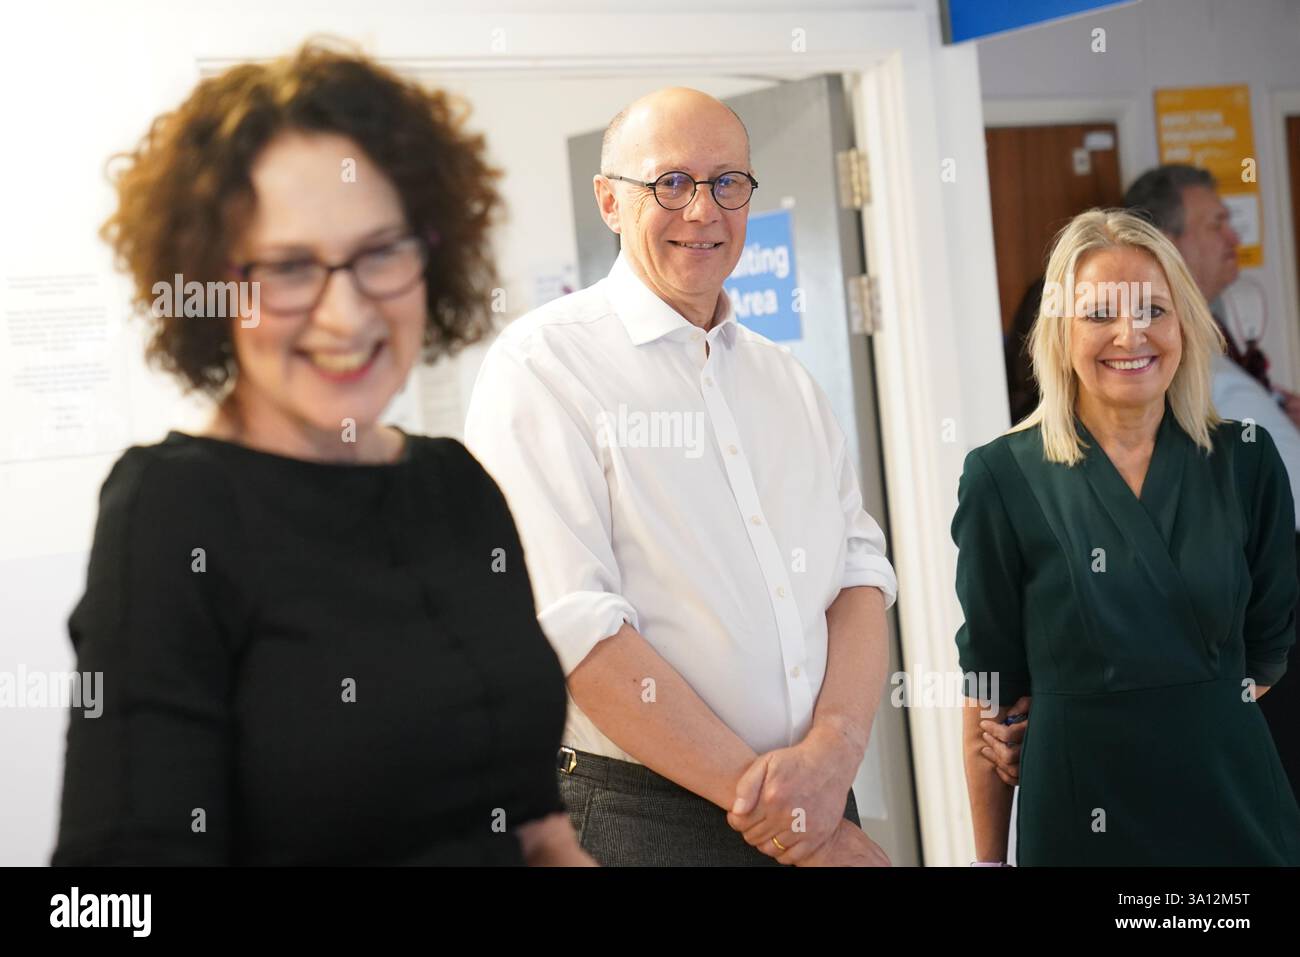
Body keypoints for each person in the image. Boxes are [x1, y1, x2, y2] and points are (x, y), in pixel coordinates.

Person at [52, 42, 592, 866]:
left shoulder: (456, 485)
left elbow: (537, 828)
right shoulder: (171, 511)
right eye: (289, 268)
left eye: (381, 252)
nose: (345, 315)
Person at [464, 87, 896, 866]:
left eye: (728, 182)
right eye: (670, 182)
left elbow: (860, 577)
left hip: (818, 794)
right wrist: (797, 820)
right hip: (647, 819)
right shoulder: (541, 367)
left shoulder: (786, 380)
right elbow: (575, 630)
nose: (703, 210)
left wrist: (834, 751)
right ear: (608, 200)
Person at [954, 208, 1300, 865]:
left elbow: (1266, 653)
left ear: (1185, 324)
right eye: (1099, 313)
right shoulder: (1001, 476)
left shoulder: (1247, 460)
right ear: (1059, 332)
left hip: (1238, 816)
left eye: (1153, 309)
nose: (1131, 333)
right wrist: (988, 861)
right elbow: (989, 689)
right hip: (1081, 823)